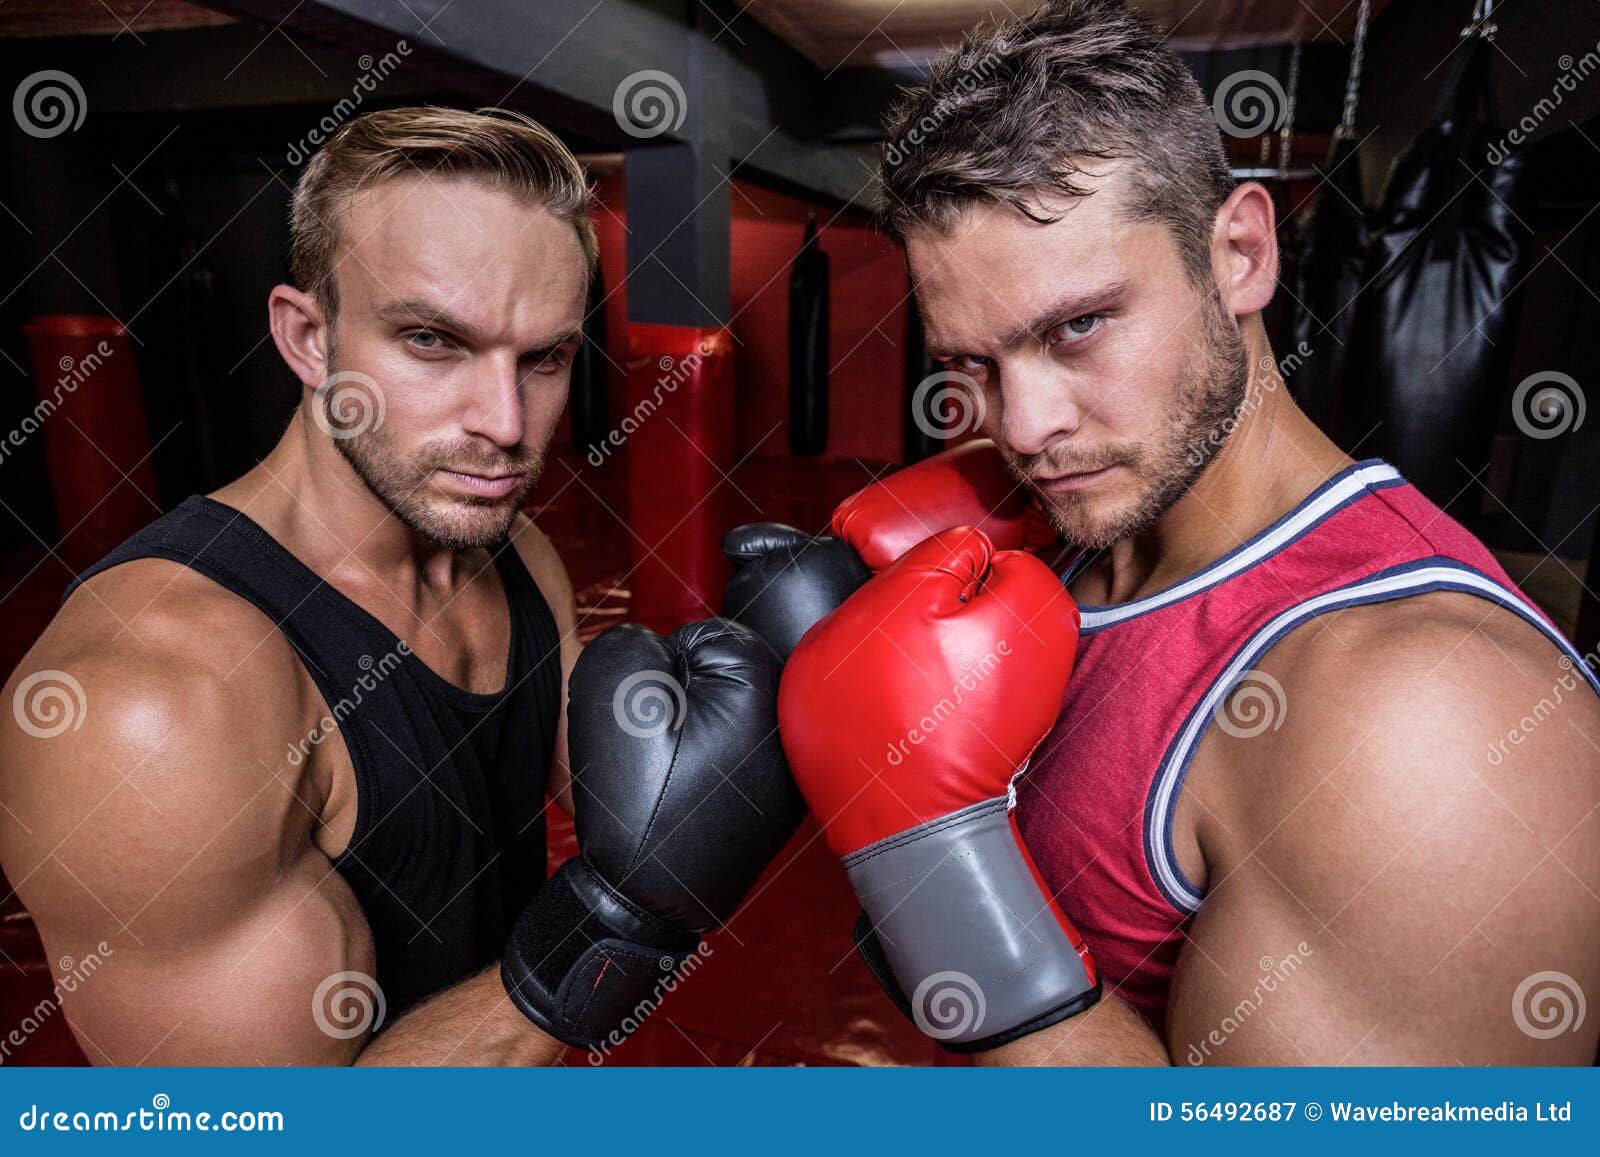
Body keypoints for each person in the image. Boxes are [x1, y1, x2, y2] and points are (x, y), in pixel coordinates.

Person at [743, 0, 1600, 1066]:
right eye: (971, 363)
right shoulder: (1049, 540)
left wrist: (929, 856)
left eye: (1078, 326)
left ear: (1239, 252)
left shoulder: (1424, 721)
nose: (1023, 427)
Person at [0, 106, 800, 1065]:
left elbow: (644, 805)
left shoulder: (519, 554)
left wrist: (802, 686)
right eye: (432, 340)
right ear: (309, 338)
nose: (505, 423)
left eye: (543, 357)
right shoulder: (150, 707)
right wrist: (610, 931)